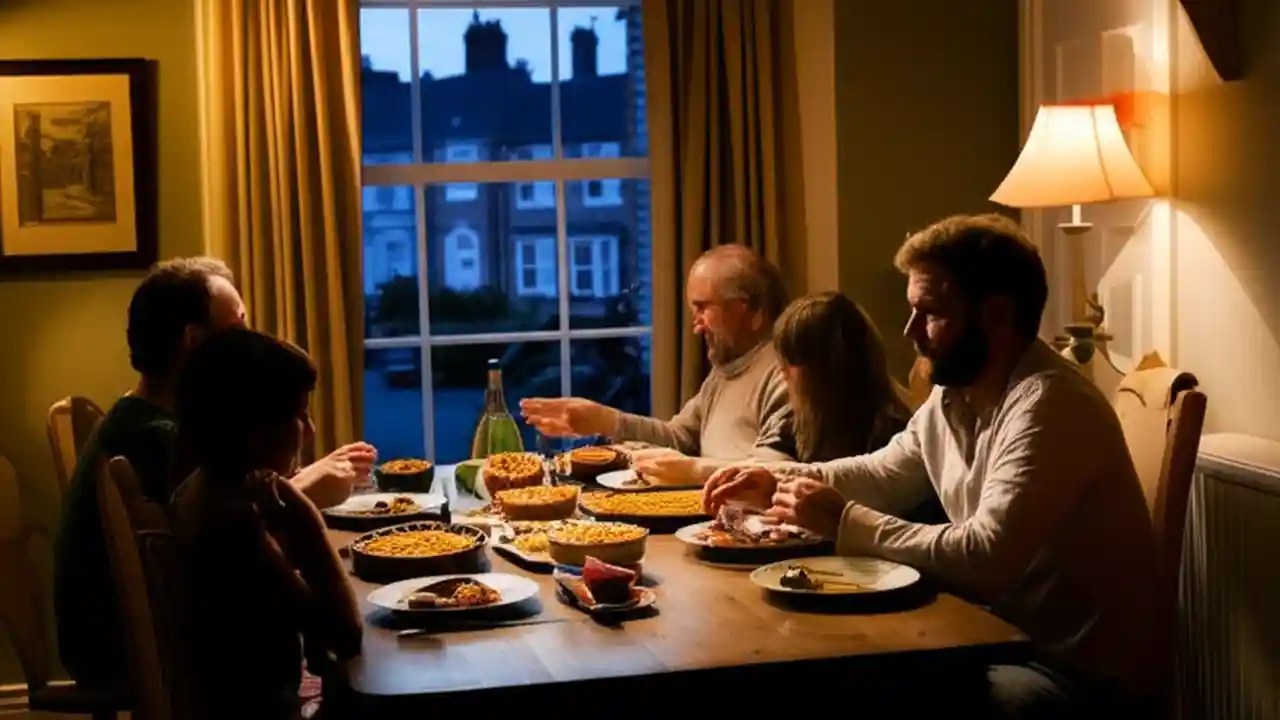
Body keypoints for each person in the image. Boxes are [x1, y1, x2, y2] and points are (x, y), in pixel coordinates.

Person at [705, 214, 1161, 715]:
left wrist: (842, 522)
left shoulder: (1050, 403)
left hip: (1073, 674)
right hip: (994, 636)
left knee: (840, 681)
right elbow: (883, 473)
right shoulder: (954, 396)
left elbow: (985, 558)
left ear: (996, 314)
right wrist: (779, 480)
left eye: (930, 312)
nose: (910, 331)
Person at [53, 257, 374, 693]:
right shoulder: (163, 445)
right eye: (239, 328)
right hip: (156, 665)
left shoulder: (149, 425)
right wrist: (298, 496)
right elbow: (335, 628)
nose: (251, 342)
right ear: (196, 344)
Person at [169, 327, 362, 718]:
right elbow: (343, 633)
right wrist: (305, 515)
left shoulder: (198, 491)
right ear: (254, 432)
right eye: (298, 415)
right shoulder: (233, 526)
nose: (308, 431)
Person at [520, 243, 794, 464]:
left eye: (702, 308)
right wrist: (602, 419)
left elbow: (772, 471)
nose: (695, 325)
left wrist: (693, 472)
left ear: (746, 309)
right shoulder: (724, 373)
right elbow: (678, 438)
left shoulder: (784, 374)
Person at [632, 292, 915, 487]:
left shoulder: (889, 429)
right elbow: (762, 466)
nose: (782, 372)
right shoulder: (791, 420)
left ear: (825, 369)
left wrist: (696, 471)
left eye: (791, 362)